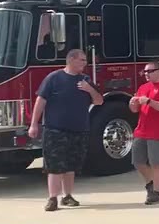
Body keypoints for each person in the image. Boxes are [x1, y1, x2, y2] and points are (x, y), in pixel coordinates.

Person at [28, 49, 104, 212]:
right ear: (71, 60)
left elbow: (99, 101)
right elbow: (40, 101)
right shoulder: (53, 78)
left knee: (71, 165)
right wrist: (34, 124)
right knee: (55, 166)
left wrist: (88, 89)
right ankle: (52, 198)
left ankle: (67, 196)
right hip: (55, 130)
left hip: (79, 129)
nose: (85, 63)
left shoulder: (86, 80)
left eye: (85, 60)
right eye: (82, 60)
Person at [129, 63, 159, 205]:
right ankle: (150, 183)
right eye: (145, 71)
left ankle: (155, 192)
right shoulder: (143, 88)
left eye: (150, 71)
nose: (146, 74)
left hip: (156, 131)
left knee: (155, 162)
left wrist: (149, 101)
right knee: (137, 162)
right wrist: (133, 103)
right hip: (141, 130)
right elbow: (135, 110)